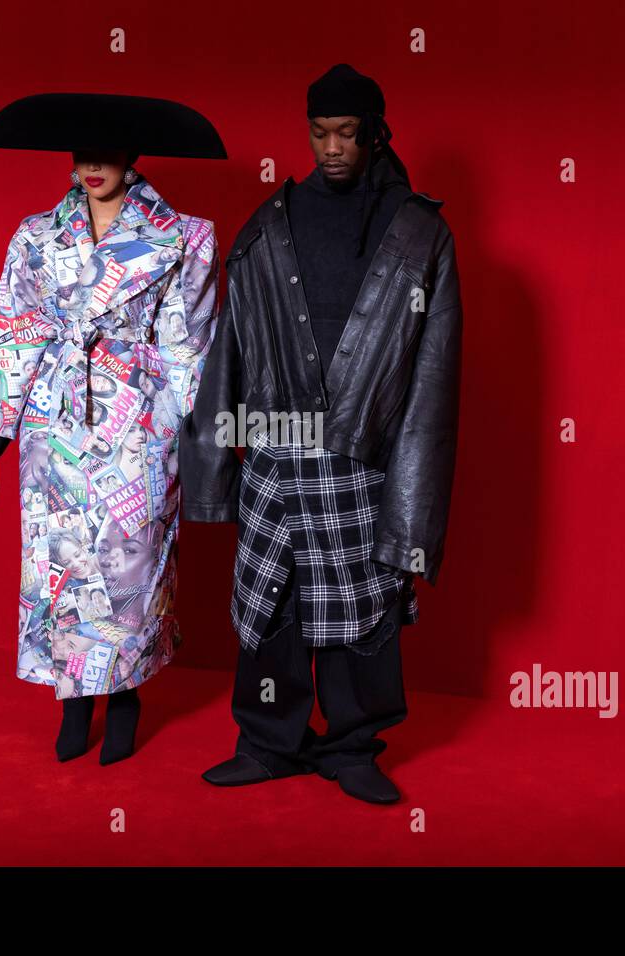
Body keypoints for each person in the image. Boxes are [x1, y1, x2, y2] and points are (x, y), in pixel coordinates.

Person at [180, 64, 462, 803]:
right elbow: (227, 349)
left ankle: (351, 750)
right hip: (276, 444)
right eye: (319, 132)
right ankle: (269, 743)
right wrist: (212, 467)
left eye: (347, 133)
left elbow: (434, 376)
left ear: (374, 133)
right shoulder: (269, 224)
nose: (332, 147)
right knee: (270, 606)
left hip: (362, 455)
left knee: (361, 611)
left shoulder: (418, 231)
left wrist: (415, 499)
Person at [0, 93, 225, 765]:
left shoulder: (186, 235)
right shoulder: (34, 235)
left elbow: (188, 344)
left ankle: (128, 695)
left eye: (107, 153)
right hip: (52, 424)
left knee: (130, 565)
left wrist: (202, 439)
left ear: (133, 155)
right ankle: (72, 703)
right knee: (61, 567)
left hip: (138, 423)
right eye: (81, 154)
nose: (92, 166)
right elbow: (15, 334)